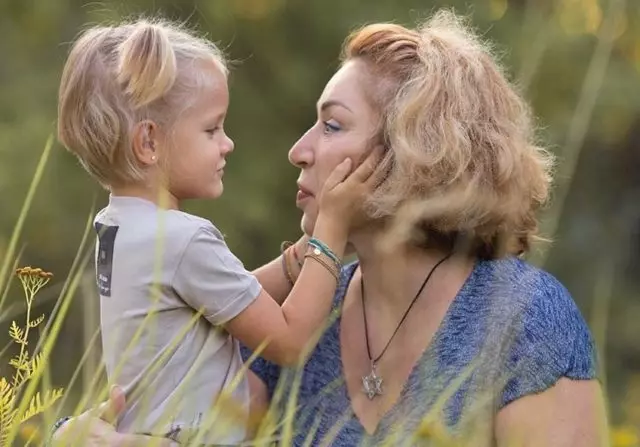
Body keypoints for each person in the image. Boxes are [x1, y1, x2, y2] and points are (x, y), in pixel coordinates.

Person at [52, 9, 607, 446]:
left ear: (413, 154)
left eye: (332, 124)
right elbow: (153, 405)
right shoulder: (300, 316)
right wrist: (67, 437)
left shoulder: (525, 322)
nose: (298, 151)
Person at [55, 18, 381, 445]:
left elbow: (225, 302)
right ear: (149, 142)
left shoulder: (116, 228)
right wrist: (331, 232)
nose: (226, 143)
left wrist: (301, 254)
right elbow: (289, 341)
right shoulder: (183, 239)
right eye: (211, 129)